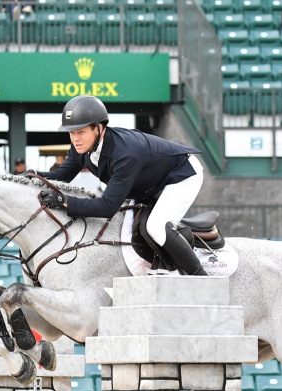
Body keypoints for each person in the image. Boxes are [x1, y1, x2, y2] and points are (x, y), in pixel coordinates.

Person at [39, 95, 207, 276]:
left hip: (181, 174)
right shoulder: (81, 148)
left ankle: (200, 277)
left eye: (81, 132)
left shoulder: (124, 154)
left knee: (155, 227)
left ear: (99, 129)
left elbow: (107, 207)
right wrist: (30, 176)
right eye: (71, 133)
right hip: (146, 183)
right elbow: (60, 176)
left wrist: (65, 202)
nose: (75, 139)